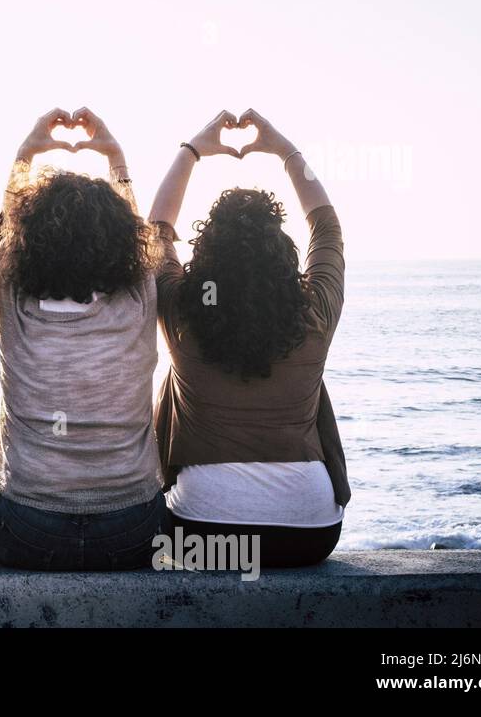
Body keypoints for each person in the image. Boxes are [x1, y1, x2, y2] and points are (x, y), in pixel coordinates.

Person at [148, 109, 349, 567]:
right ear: (283, 253)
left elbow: (156, 232)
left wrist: (192, 151)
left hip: (202, 532)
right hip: (311, 533)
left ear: (205, 251)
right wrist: (283, 149)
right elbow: (326, 226)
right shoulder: (314, 311)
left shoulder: (183, 311)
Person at [0, 108, 168, 570]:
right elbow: (140, 230)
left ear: (28, 240)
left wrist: (27, 152)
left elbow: (4, 228)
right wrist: (115, 157)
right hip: (133, 528)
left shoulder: (15, 300)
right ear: (126, 241)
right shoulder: (138, 299)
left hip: (28, 527)